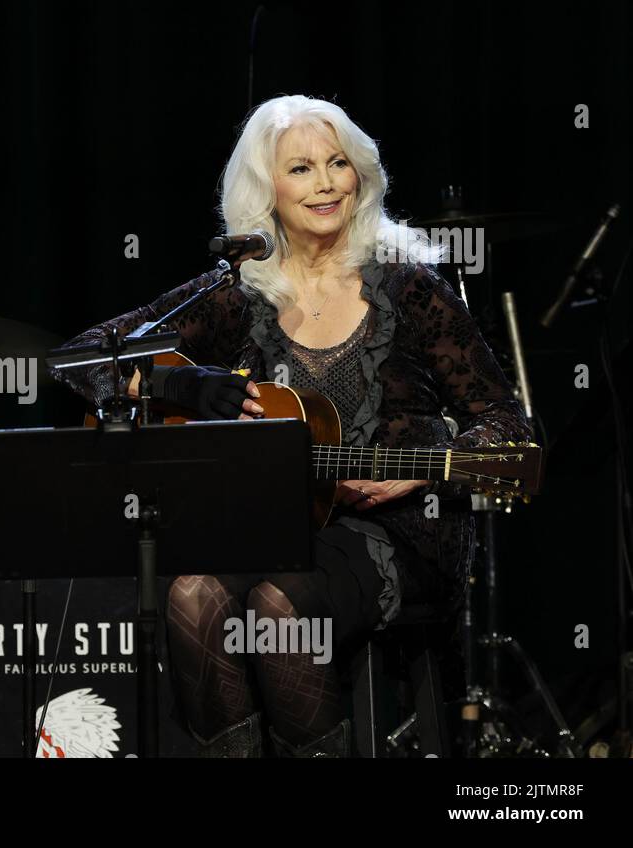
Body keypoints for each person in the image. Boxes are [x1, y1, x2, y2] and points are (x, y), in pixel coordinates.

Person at [51, 94, 530, 757]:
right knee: (191, 593)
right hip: (266, 524)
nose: (326, 182)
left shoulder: (409, 288)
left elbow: (504, 423)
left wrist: (421, 469)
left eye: (338, 163)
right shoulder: (237, 290)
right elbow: (80, 360)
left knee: (279, 604)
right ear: (265, 188)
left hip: (394, 533)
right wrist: (179, 383)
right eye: (301, 168)